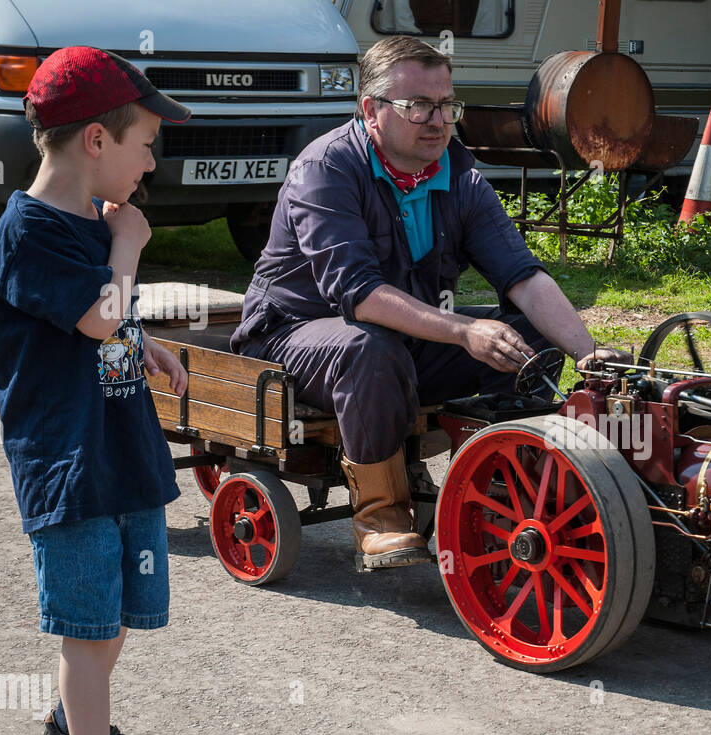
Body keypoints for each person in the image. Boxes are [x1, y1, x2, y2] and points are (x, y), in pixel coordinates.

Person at [230, 36, 624, 570]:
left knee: (527, 340)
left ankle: (507, 492)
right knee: (368, 346)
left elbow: (522, 276)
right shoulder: (325, 169)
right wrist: (462, 331)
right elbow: (358, 294)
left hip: (400, 335)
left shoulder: (457, 173)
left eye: (446, 105)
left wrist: (587, 353)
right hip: (293, 336)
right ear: (371, 110)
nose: (438, 120)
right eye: (418, 105)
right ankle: (380, 514)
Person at [0, 47, 191, 735]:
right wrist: (130, 251)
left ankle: (74, 721)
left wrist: (146, 346)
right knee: (86, 625)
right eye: (144, 143)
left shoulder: (88, 222)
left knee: (116, 616)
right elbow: (97, 311)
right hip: (67, 462)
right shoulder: (28, 230)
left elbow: (106, 329)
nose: (150, 162)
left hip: (120, 447)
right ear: (95, 142)